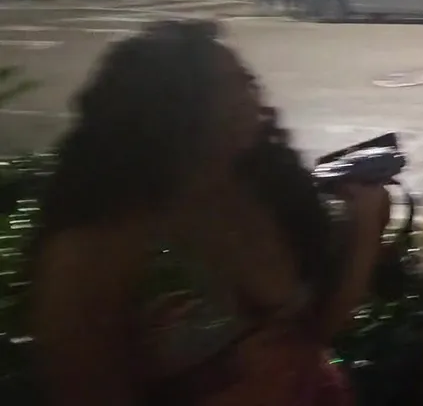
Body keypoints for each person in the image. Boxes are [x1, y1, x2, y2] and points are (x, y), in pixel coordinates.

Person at [29, 20, 390, 406]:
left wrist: (366, 228)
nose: (249, 99)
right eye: (223, 89)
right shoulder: (95, 246)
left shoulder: (260, 191)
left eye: (246, 82)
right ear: (164, 112)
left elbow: (312, 334)